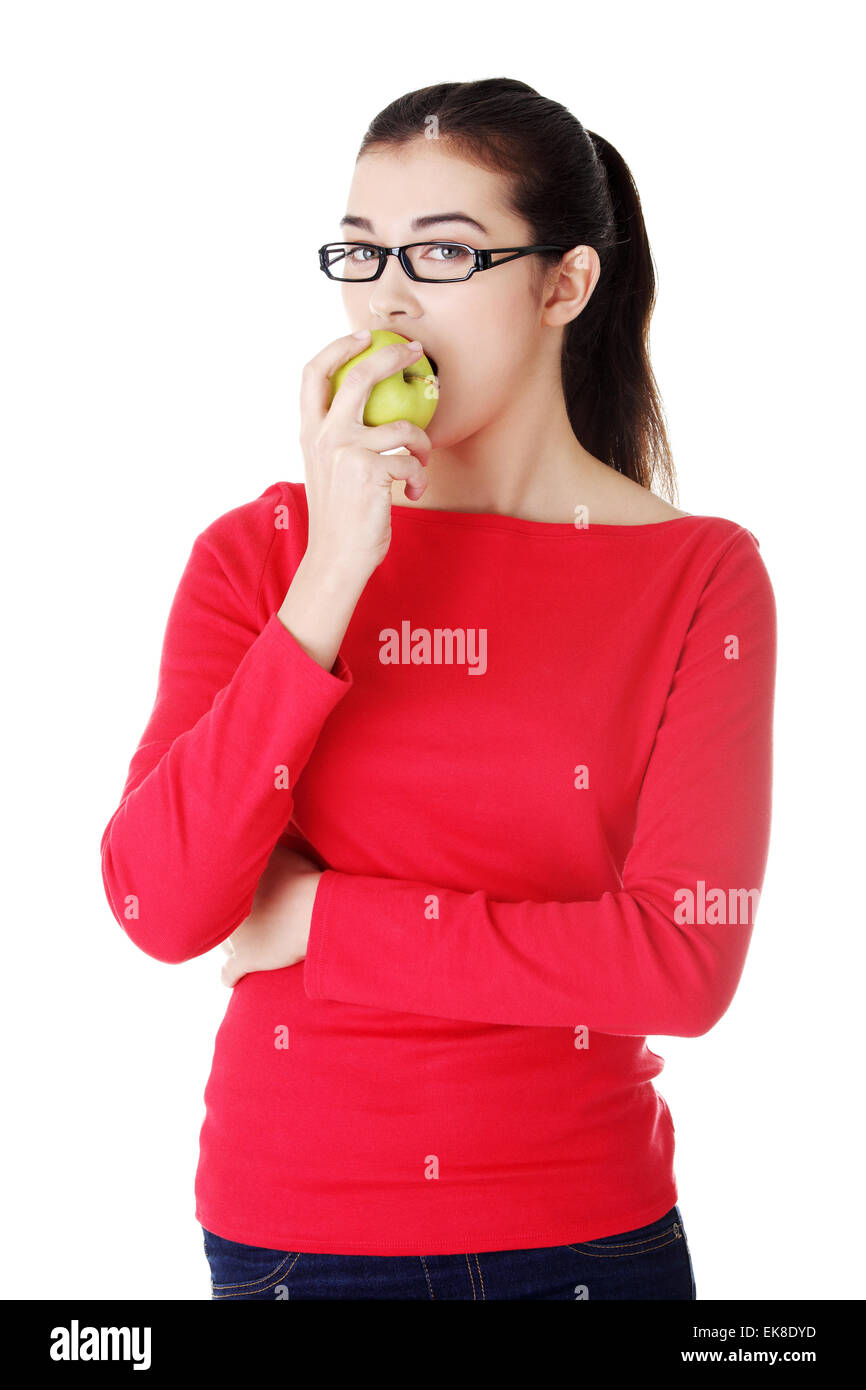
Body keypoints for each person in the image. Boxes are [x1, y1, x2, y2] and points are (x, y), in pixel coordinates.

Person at [100, 78, 776, 1301]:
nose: (388, 301)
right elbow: (160, 901)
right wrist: (333, 572)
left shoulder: (697, 576)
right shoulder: (262, 556)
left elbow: (680, 964)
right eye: (361, 254)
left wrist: (317, 923)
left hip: (588, 1233)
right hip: (294, 1233)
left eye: (445, 252)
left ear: (563, 285)